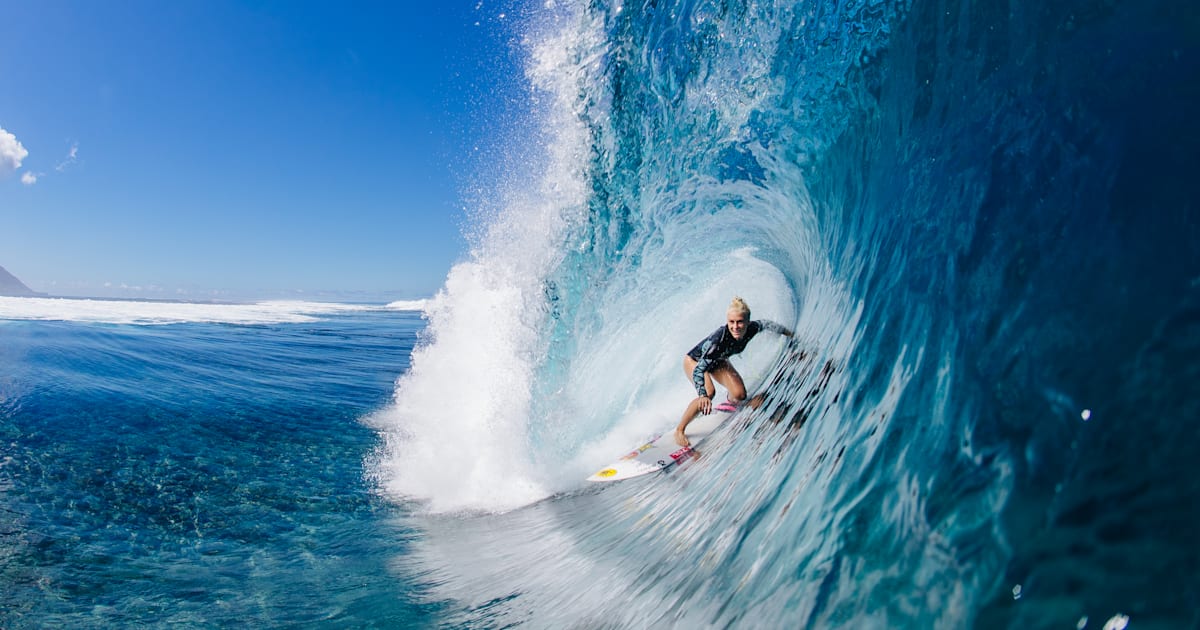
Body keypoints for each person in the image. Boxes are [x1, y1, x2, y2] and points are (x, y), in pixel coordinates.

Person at [675, 297, 793, 447]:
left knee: (740, 395)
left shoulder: (753, 328)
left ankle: (729, 402)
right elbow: (699, 369)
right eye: (731, 322)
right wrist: (703, 395)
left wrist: (790, 334)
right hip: (696, 361)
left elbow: (768, 325)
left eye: (740, 322)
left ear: (748, 322)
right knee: (710, 393)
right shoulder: (718, 341)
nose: (735, 326)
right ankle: (680, 430)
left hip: (717, 360)